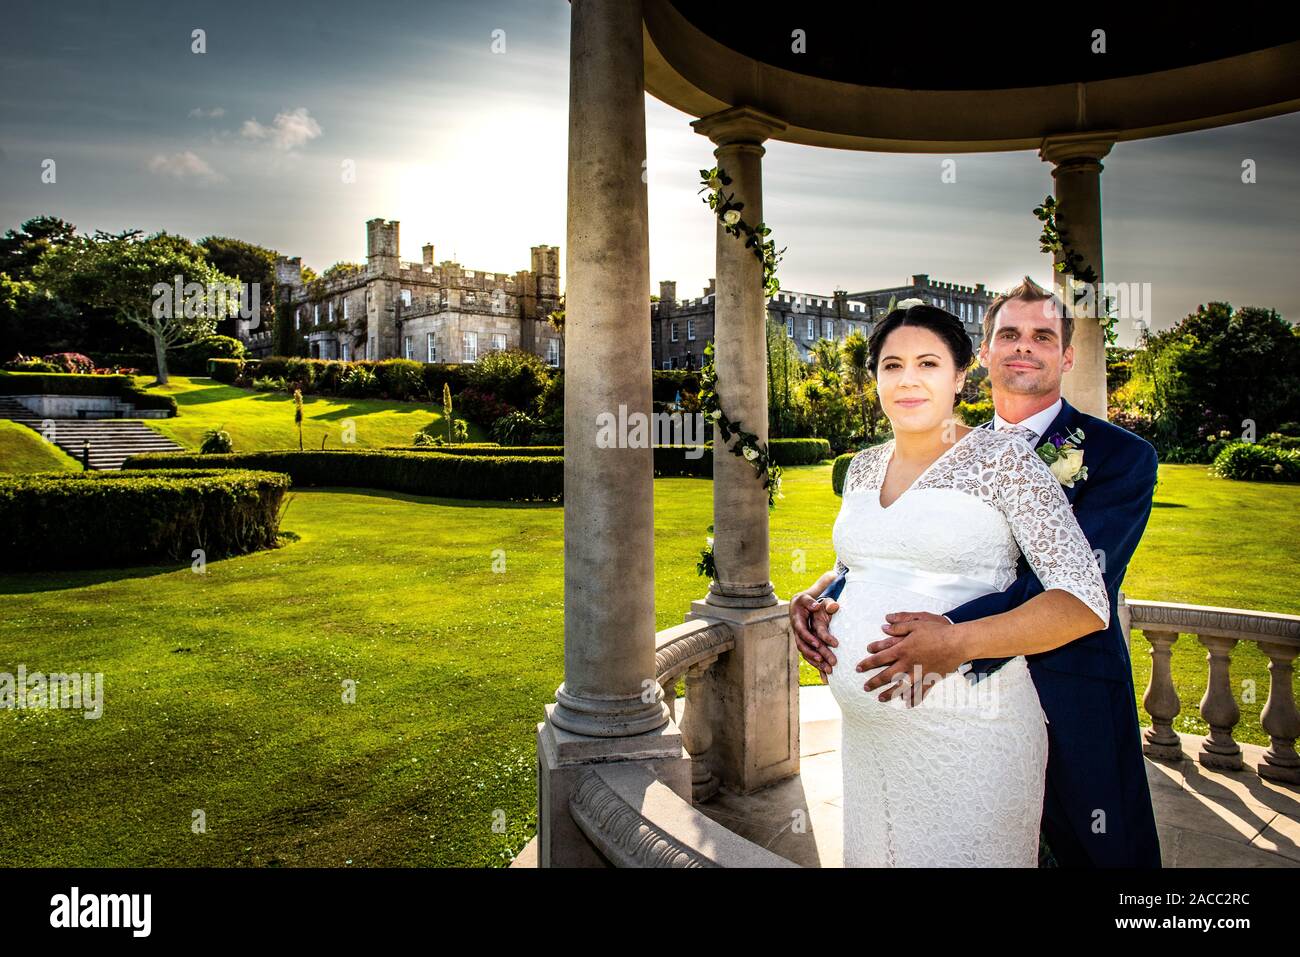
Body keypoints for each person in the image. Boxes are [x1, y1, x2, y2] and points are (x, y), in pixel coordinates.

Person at [792, 278, 1161, 868]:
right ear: (984, 355)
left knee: (1098, 850)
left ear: (1067, 355)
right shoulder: (941, 447)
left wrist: (945, 640)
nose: (1023, 347)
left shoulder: (1116, 456)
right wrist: (825, 592)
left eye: (1043, 336)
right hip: (893, 728)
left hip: (1064, 681)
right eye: (1008, 334)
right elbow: (888, 555)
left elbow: (1061, 587)